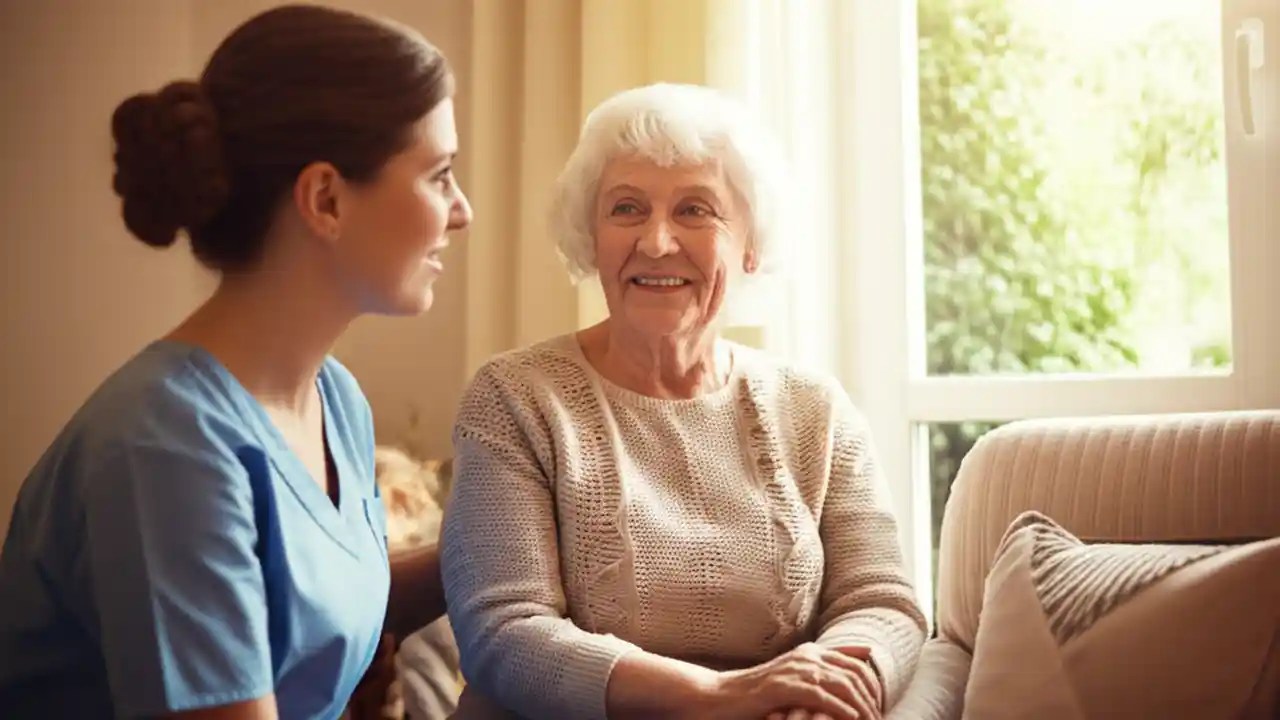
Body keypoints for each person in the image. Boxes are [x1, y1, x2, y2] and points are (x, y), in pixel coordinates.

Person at [0, 5, 471, 718]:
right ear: (326, 198)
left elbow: (317, 619)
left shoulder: (335, 400)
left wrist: (504, 542)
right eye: (439, 174)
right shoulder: (166, 451)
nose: (461, 210)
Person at [441, 83, 926, 720]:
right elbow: (503, 634)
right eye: (626, 209)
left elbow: (881, 601)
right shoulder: (517, 397)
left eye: (696, 210)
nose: (658, 242)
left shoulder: (814, 408)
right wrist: (721, 695)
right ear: (592, 236)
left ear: (750, 242)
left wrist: (824, 690)